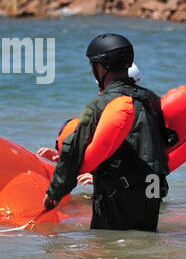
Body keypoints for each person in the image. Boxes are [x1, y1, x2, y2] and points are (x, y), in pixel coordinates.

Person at [43, 33, 169, 231]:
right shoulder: (152, 99)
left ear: (101, 67)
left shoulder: (101, 104)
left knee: (106, 255)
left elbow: (73, 150)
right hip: (152, 192)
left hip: (117, 196)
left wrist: (53, 195)